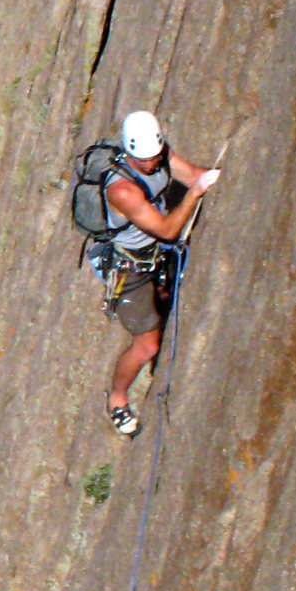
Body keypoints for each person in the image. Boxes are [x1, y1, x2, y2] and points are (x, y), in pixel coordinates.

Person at [102, 111, 219, 436]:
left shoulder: (157, 152)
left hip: (155, 257)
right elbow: (168, 230)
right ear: (131, 153)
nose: (153, 164)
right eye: (145, 161)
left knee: (166, 299)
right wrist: (194, 193)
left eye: (156, 156)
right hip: (132, 270)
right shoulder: (122, 190)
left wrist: (212, 178)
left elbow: (194, 173)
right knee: (147, 346)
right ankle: (116, 398)